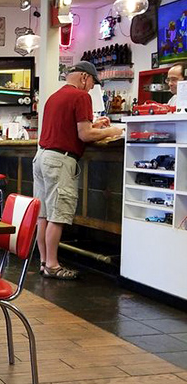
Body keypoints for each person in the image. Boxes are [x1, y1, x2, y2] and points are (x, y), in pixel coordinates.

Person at [34, 61, 123, 280]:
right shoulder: (81, 96)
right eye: (92, 82)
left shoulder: (54, 96)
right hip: (61, 161)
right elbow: (84, 135)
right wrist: (113, 130)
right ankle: (54, 265)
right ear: (84, 77)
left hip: (42, 157)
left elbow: (71, 127)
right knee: (58, 215)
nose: (92, 88)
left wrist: (94, 124)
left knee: (43, 215)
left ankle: (45, 262)